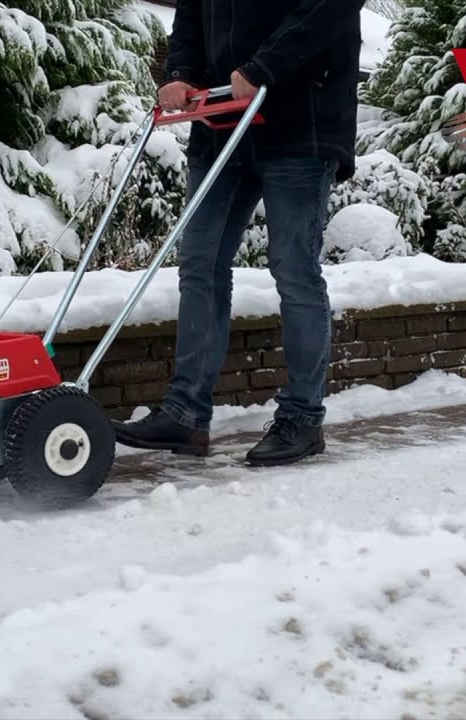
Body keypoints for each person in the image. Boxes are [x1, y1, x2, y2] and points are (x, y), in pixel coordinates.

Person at [112, 0, 365, 466]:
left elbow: (331, 9)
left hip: (300, 121)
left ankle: (302, 418)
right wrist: (180, 73)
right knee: (199, 263)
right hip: (221, 122)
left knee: (294, 269)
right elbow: (190, 15)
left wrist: (261, 68)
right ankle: (185, 414)